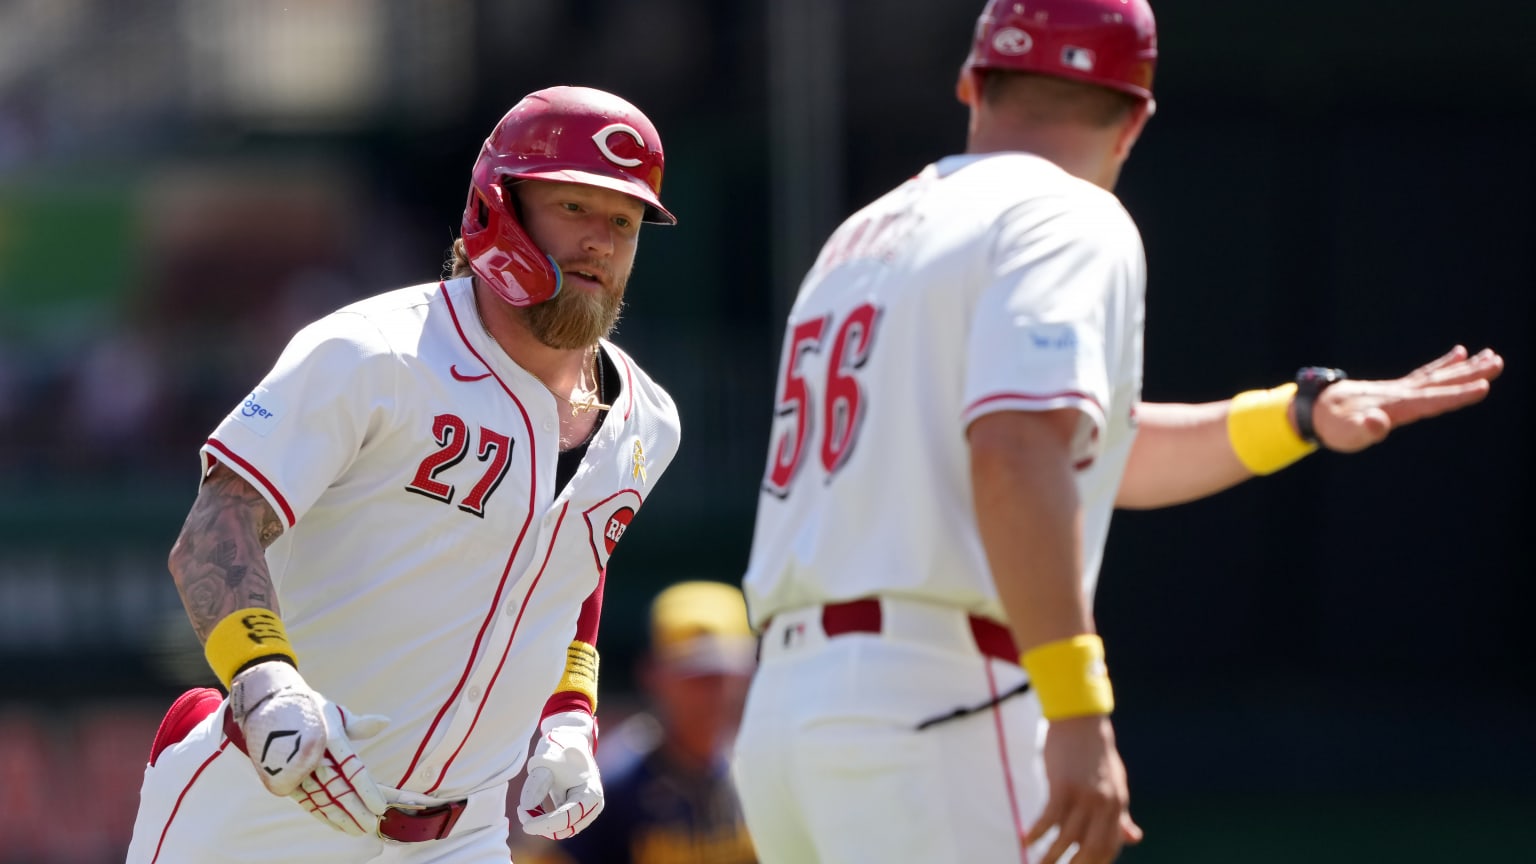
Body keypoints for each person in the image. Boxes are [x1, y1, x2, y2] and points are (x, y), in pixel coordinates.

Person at [728, 3, 1506, 864]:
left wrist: (1297, 415)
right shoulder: (1064, 214)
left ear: (972, 82)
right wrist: (1076, 701)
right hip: (940, 703)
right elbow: (1019, 452)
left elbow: (1085, 454)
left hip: (788, 717)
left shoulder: (862, 235)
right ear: (1135, 118)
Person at [126, 84, 683, 863]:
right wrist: (264, 681)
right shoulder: (374, 351)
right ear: (500, 207)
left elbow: (569, 565)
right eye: (573, 207)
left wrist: (569, 712)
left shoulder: (647, 420)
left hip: (463, 833)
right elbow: (215, 528)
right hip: (273, 803)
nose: (601, 241)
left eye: (623, 221)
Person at [550, 580, 759, 864]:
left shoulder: (762, 772)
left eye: (725, 675)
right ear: (653, 674)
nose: (716, 693)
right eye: (696, 677)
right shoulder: (609, 786)